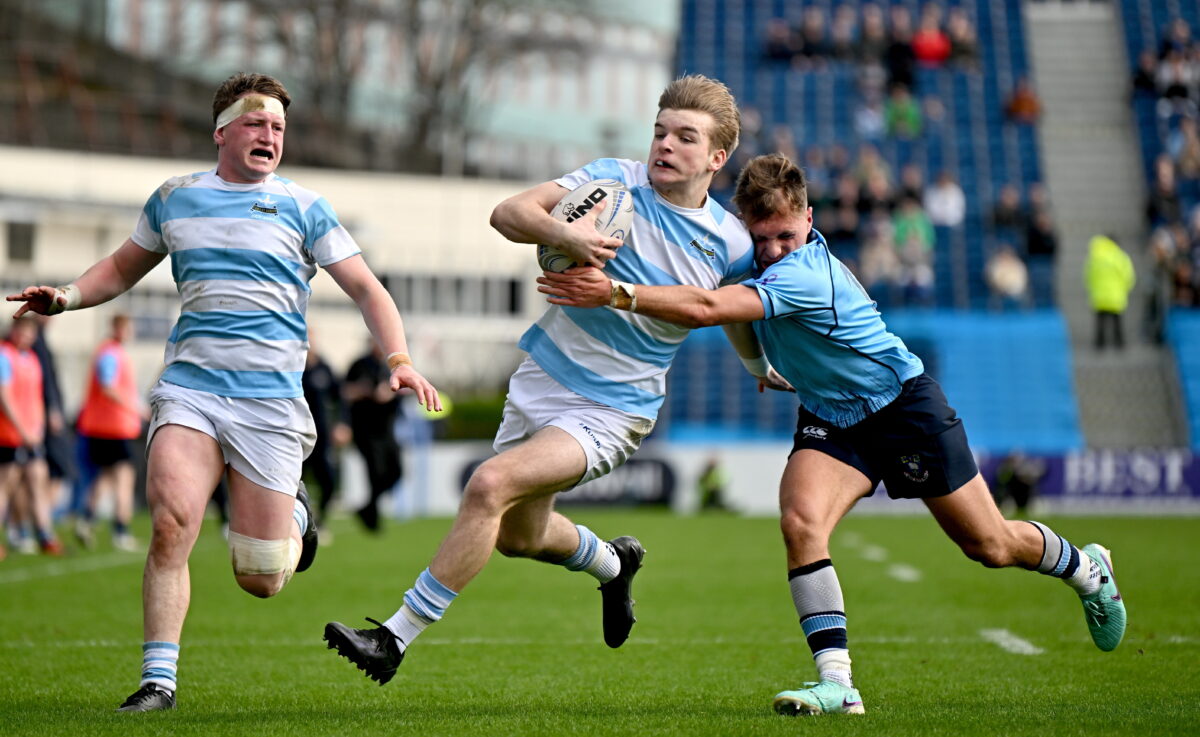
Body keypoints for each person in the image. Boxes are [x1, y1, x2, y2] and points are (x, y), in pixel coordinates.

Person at [538, 153, 1127, 716]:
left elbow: (708, 309)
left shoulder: (806, 275)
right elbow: (728, 306)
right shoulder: (754, 256)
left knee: (990, 546)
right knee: (800, 523)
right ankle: (838, 685)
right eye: (761, 238)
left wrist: (616, 292)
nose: (770, 251)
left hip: (902, 409)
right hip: (829, 413)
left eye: (784, 237)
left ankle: (1086, 568)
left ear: (809, 220)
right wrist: (755, 366)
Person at [7, 72, 441, 712]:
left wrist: (398, 358)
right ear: (222, 131)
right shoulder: (174, 198)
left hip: (268, 404)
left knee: (260, 578)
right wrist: (68, 296)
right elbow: (122, 268)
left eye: (279, 129)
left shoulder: (303, 206)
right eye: (258, 124)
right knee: (170, 523)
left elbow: (369, 291)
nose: (271, 136)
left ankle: (296, 517)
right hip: (191, 391)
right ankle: (160, 681)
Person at [323, 74, 770, 685]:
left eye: (685, 137)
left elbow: (720, 311)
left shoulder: (730, 241)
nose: (664, 145)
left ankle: (392, 639)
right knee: (517, 537)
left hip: (615, 407)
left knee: (489, 485)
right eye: (660, 131)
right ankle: (614, 565)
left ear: (717, 158)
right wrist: (564, 233)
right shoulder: (614, 180)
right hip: (541, 379)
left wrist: (755, 367)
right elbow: (507, 213)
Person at [75, 314, 147, 551]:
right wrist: (135, 408)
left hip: (102, 427)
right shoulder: (110, 354)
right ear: (118, 328)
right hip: (113, 428)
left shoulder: (109, 352)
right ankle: (121, 532)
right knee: (125, 478)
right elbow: (108, 386)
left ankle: (86, 520)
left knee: (105, 478)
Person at [0, 317, 62, 557]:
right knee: (6, 485)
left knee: (39, 479)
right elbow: (5, 398)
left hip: (32, 434)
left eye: (30, 333)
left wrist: (38, 428)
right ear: (13, 331)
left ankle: (45, 535)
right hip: (10, 434)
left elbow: (35, 399)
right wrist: (22, 430)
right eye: (22, 331)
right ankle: (16, 533)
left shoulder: (32, 359)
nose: (26, 336)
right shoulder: (4, 356)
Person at [342, 342, 404, 532]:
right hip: (366, 429)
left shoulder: (391, 367)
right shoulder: (359, 365)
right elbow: (345, 392)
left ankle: (367, 508)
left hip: (387, 428)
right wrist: (365, 392)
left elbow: (404, 389)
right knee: (375, 473)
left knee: (396, 471)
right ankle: (373, 519)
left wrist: (391, 393)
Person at [301, 329, 348, 526]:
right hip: (296, 435)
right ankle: (292, 522)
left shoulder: (324, 367)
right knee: (290, 484)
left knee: (328, 481)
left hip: (321, 436)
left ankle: (320, 521)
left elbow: (341, 398)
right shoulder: (291, 366)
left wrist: (342, 424)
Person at [1084, 234, 1137, 350]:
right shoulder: (1119, 256)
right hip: (1115, 294)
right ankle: (1119, 343)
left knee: (1100, 321)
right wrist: (1125, 288)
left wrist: (1093, 289)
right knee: (1116, 321)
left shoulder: (1095, 257)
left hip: (1099, 295)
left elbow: (1088, 276)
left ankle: (1099, 344)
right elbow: (1128, 276)